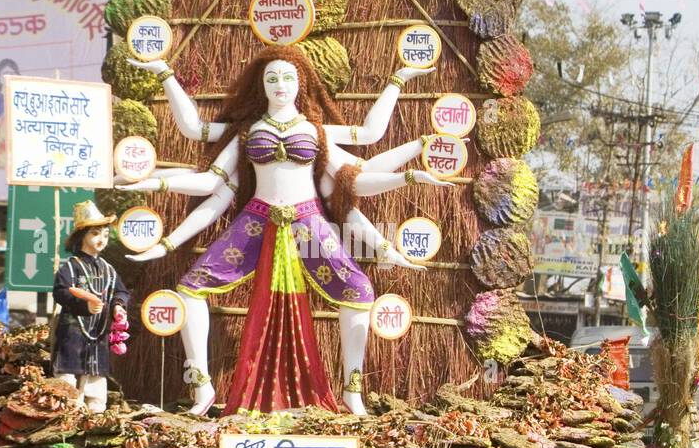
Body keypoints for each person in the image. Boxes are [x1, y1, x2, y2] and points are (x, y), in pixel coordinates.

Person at [123, 46, 455, 417]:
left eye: (288, 77)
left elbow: (366, 152)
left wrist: (401, 95)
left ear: (302, 83)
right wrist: (165, 77)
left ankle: (353, 392)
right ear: (259, 85)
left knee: (359, 292)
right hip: (256, 220)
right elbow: (202, 170)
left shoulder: (316, 132)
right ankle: (202, 389)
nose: (280, 85)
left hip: (308, 223)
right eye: (271, 78)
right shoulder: (247, 132)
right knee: (190, 289)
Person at [51, 200, 130, 413]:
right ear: (82, 236)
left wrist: (118, 307)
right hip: (73, 329)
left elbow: (121, 291)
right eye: (95, 233)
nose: (101, 239)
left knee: (96, 376)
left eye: (105, 235)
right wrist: (85, 305)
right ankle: (64, 411)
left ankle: (95, 412)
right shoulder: (71, 266)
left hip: (99, 331)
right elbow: (61, 292)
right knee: (68, 373)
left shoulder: (108, 269)